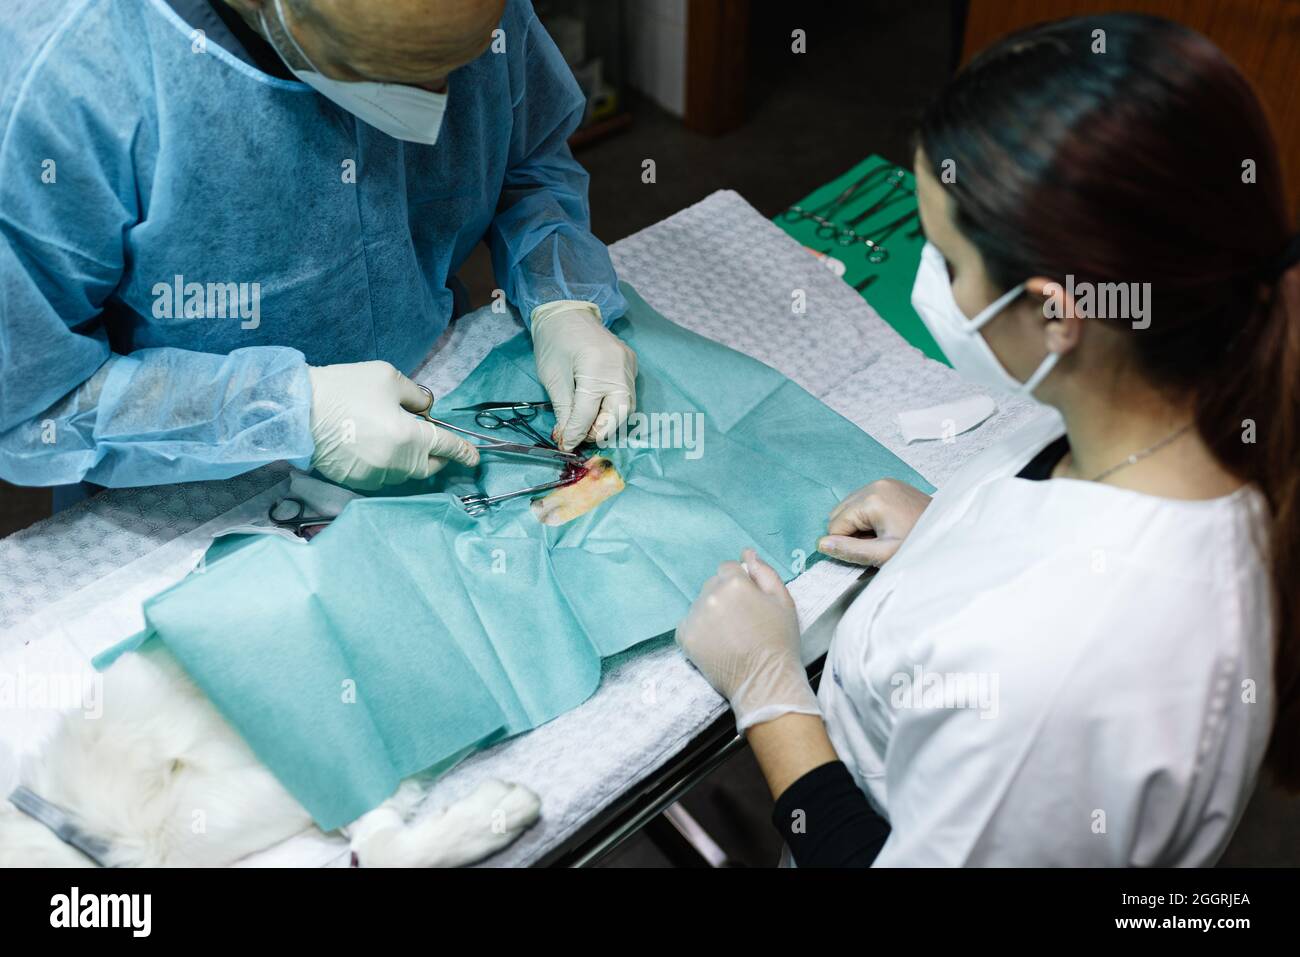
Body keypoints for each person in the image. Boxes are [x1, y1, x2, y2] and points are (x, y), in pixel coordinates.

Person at [676, 13, 1300, 866]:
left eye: (944, 255)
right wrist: (953, 539)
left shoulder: (1055, 683)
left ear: (1057, 315)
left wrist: (770, 695)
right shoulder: (1174, 411)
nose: (931, 283)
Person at [0, 0, 636, 498]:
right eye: (387, 70)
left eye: (458, 62)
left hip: (433, 398)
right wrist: (289, 412)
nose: (443, 102)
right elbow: (30, 402)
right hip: (172, 490)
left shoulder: (461, 17)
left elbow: (528, 159)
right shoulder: (63, 80)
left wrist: (563, 300)